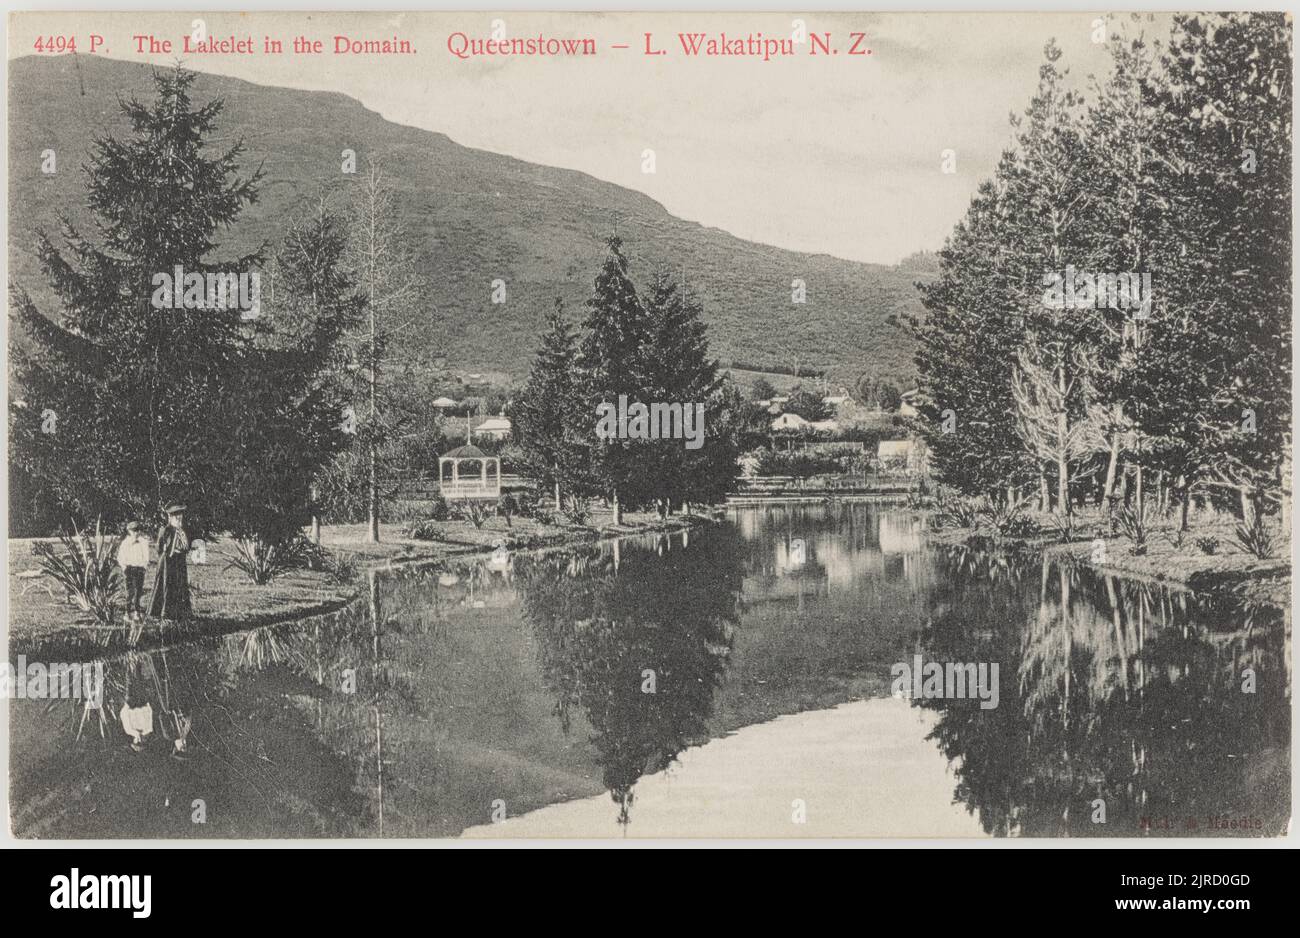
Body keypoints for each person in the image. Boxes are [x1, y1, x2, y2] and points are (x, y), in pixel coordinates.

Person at [148, 504, 192, 620]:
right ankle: (165, 612)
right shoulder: (166, 530)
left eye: (180, 516)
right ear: (171, 517)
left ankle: (181, 613)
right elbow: (159, 546)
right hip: (168, 561)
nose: (179, 518)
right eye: (176, 516)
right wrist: (166, 553)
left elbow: (186, 545)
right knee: (167, 584)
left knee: (181, 584)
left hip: (180, 560)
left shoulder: (182, 530)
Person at [117, 522, 150, 620]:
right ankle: (127, 613)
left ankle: (137, 612)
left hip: (139, 569)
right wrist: (125, 568)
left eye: (138, 530)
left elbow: (146, 556)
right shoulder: (125, 543)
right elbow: (120, 557)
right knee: (129, 591)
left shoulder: (143, 542)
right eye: (134, 531)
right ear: (129, 531)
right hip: (129, 569)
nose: (136, 533)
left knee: (138, 591)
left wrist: (143, 567)